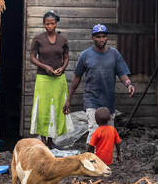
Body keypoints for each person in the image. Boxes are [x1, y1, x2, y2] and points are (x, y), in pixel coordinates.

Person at [66, 24, 134, 137]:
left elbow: (122, 73)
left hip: (108, 100)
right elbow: (77, 78)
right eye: (98, 37)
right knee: (94, 131)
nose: (101, 39)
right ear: (92, 38)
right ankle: (91, 154)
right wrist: (69, 99)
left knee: (109, 133)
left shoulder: (114, 54)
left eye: (104, 36)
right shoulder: (85, 55)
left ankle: (106, 155)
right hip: (91, 99)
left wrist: (129, 84)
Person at [28, 11, 69, 148]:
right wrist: (45, 66)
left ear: (56, 23)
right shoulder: (38, 39)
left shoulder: (62, 39)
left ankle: (52, 140)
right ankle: (43, 139)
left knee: (57, 108)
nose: (50, 26)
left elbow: (66, 57)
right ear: (43, 24)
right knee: (43, 108)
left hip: (59, 79)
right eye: (47, 24)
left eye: (52, 23)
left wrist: (62, 68)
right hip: (43, 78)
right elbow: (32, 57)